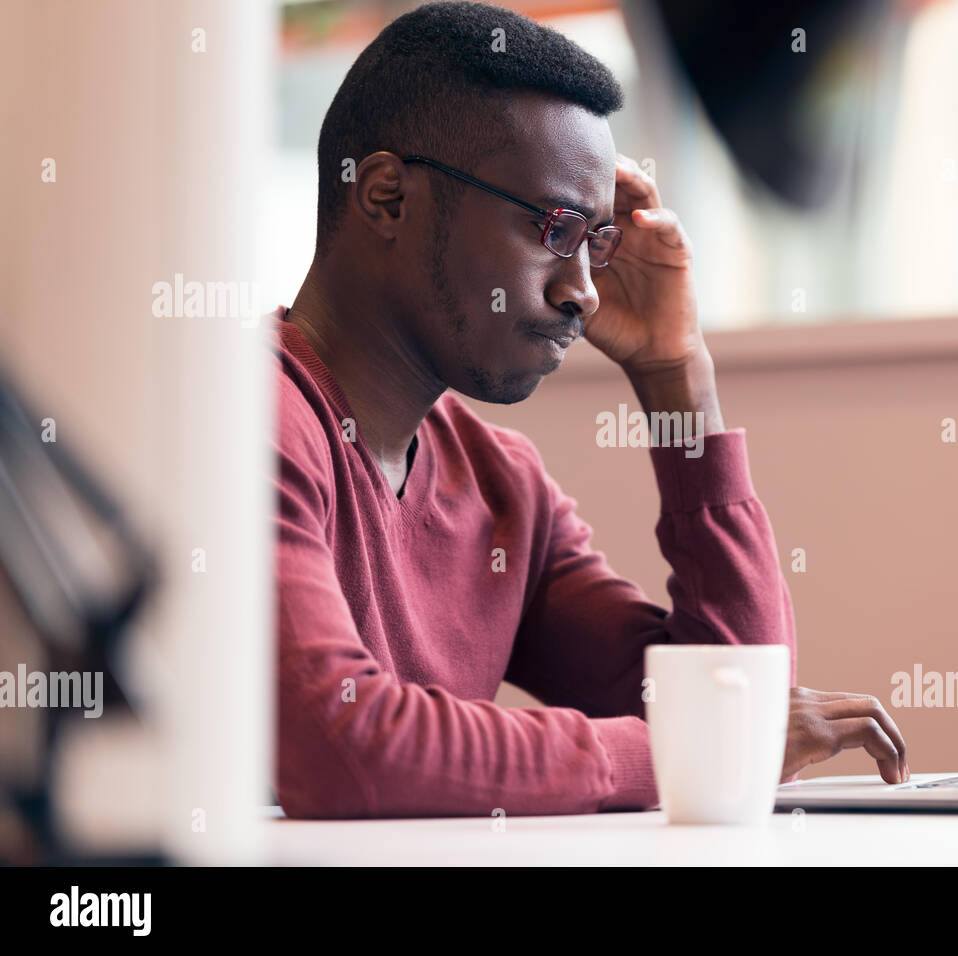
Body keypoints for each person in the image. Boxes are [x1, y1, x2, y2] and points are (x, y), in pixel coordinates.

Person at [273, 0, 908, 818]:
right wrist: (705, 741)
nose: (582, 291)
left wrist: (677, 377)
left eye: (596, 243)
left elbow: (737, 700)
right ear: (388, 198)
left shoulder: (502, 489)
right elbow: (346, 748)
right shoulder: (245, 423)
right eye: (553, 227)